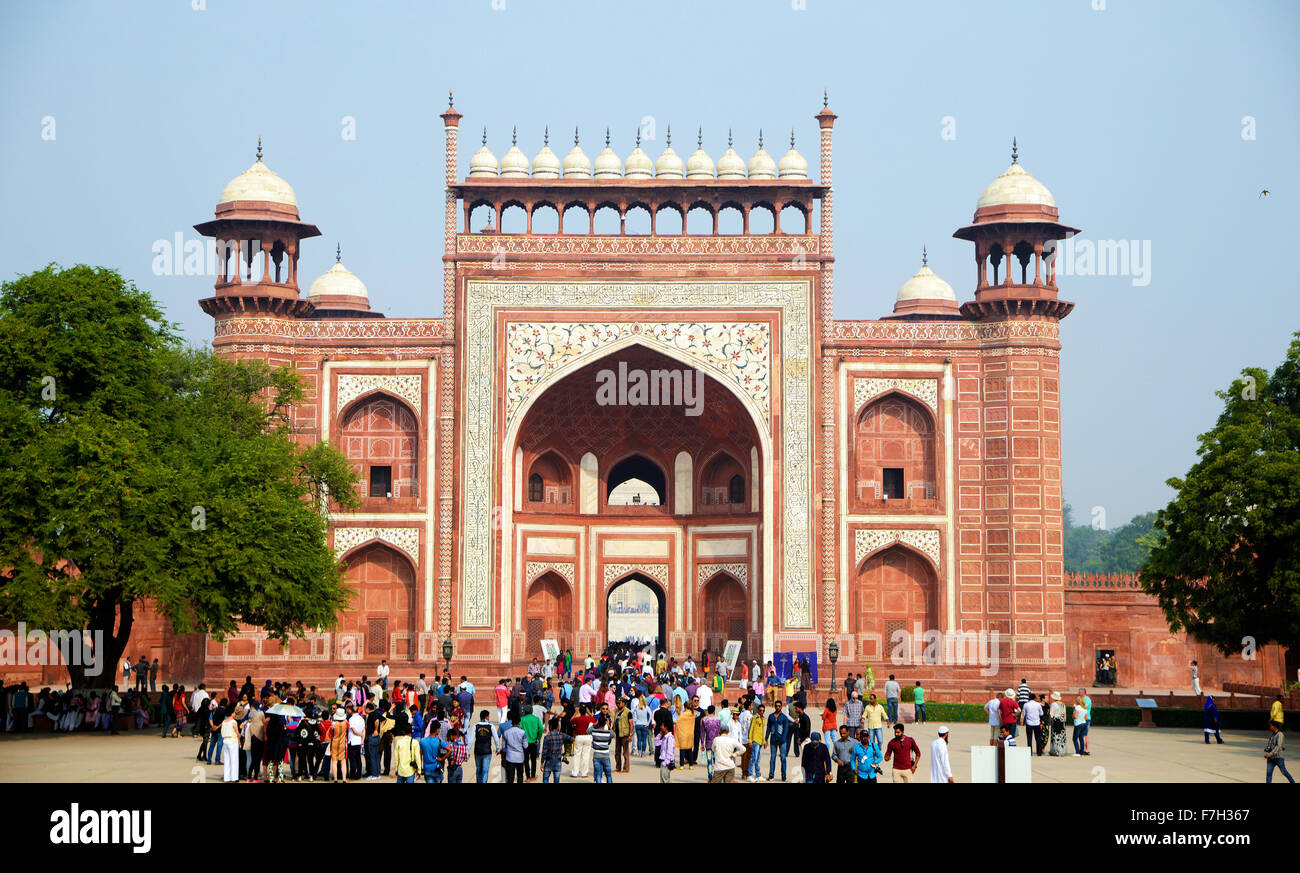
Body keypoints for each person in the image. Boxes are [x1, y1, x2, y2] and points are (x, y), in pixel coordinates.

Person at [766, 699, 792, 781]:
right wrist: (766, 739)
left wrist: (781, 740)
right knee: (772, 758)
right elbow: (768, 728)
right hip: (773, 739)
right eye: (776, 706)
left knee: (783, 758)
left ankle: (783, 776)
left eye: (779, 706)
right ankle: (771, 775)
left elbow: (786, 730)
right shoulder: (771, 716)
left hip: (782, 740)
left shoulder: (784, 717)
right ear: (774, 706)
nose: (777, 707)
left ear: (781, 707)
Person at [540, 717, 570, 783]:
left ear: (550, 726)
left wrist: (542, 763)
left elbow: (544, 751)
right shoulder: (562, 735)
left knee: (545, 778)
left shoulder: (547, 737)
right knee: (556, 780)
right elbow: (571, 739)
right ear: (557, 726)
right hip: (558, 761)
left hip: (548, 761)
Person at [472, 710, 496, 783]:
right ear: (486, 717)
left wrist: (467, 751)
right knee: (485, 770)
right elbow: (496, 738)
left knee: (478, 769)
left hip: (478, 750)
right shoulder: (491, 726)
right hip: (487, 750)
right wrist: (498, 748)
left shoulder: (475, 726)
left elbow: (471, 739)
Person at [500, 718, 527, 783]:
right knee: (520, 777)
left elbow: (503, 746)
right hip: (520, 758)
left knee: (510, 778)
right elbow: (525, 746)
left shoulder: (506, 732)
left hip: (510, 757)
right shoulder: (523, 732)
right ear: (519, 723)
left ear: (512, 723)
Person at [590, 714, 615, 783]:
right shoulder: (607, 733)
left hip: (596, 756)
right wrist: (609, 725)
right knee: (608, 775)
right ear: (605, 724)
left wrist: (595, 723)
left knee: (598, 775)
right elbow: (614, 735)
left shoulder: (594, 732)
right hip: (605, 756)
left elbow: (588, 730)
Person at [747, 702, 767, 781]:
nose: (762, 712)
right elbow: (751, 730)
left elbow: (762, 731)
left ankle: (758, 775)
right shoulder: (754, 718)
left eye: (763, 710)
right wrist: (750, 741)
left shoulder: (763, 719)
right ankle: (750, 774)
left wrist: (764, 741)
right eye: (760, 710)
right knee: (753, 758)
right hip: (755, 740)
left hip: (761, 741)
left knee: (758, 759)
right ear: (758, 710)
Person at [1048, 692, 1068, 757]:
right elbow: (1064, 714)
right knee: (1061, 736)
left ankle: (1056, 751)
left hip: (1056, 720)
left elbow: (1051, 714)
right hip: (1062, 720)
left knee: (1055, 735)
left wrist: (1050, 722)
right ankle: (1062, 751)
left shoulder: (1053, 704)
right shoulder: (1063, 704)